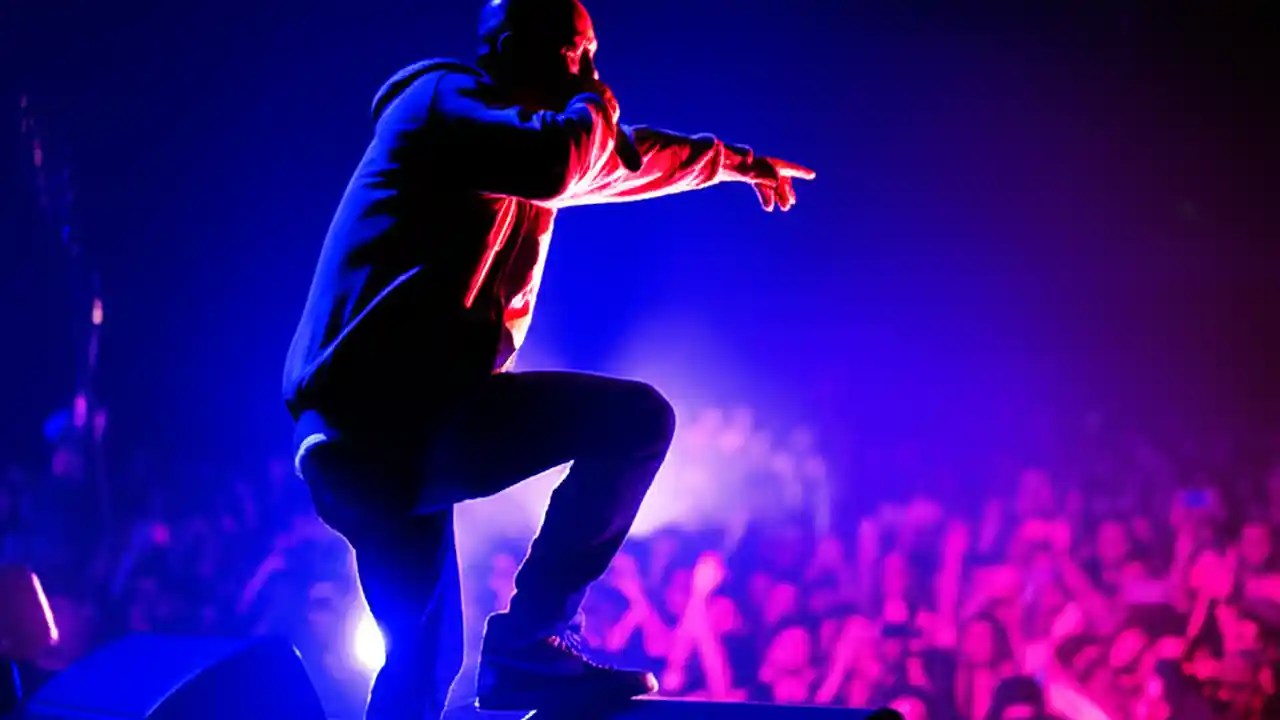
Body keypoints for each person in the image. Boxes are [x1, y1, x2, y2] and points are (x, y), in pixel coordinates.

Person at [280, 0, 815, 718]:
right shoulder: (438, 101)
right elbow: (559, 163)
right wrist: (593, 98)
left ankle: (518, 658)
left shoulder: (516, 145)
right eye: (575, 52)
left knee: (421, 667)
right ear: (512, 47)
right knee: (633, 422)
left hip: (395, 435)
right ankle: (532, 640)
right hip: (384, 416)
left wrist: (733, 163)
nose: (589, 69)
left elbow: (625, 161)